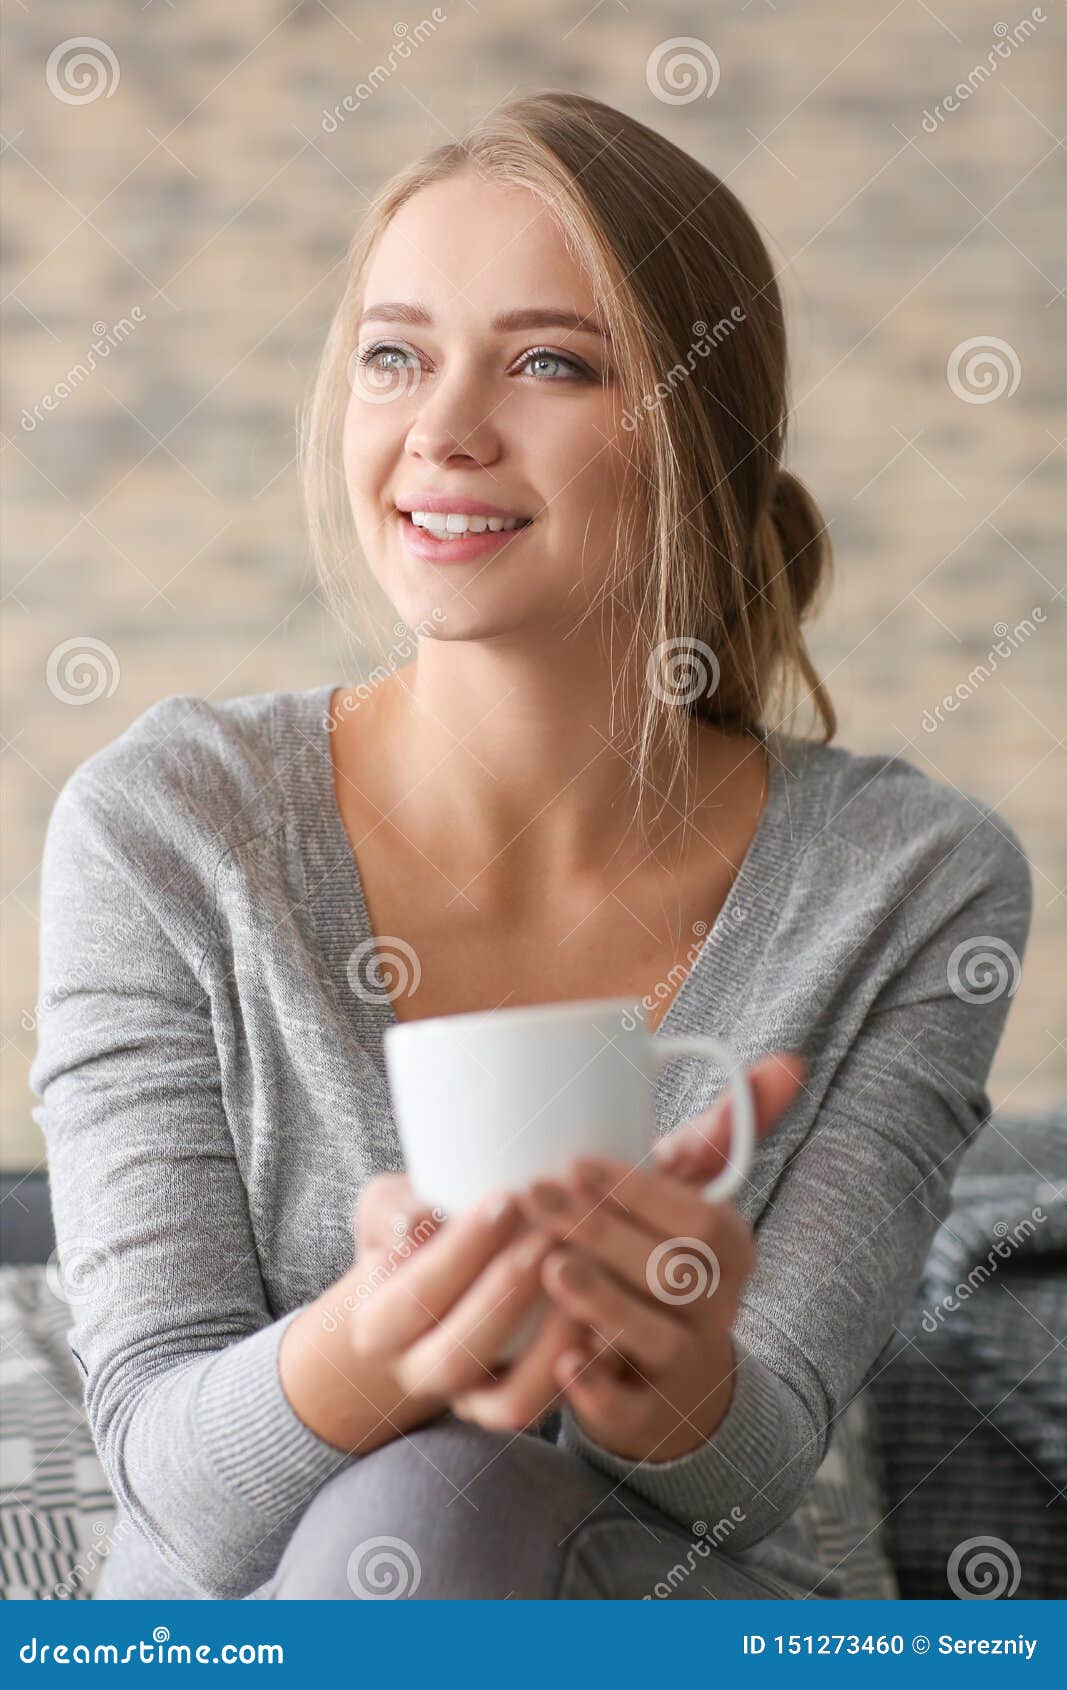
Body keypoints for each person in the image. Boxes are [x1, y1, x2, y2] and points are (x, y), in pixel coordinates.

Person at [30, 91, 1032, 1601]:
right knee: (427, 1503)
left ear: (701, 434)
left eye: (550, 362)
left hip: (673, 1619)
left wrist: (673, 1373)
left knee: (450, 1508)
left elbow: (757, 1474)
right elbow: (172, 1491)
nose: (441, 428)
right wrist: (371, 1341)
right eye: (395, 356)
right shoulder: (168, 829)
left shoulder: (911, 882)